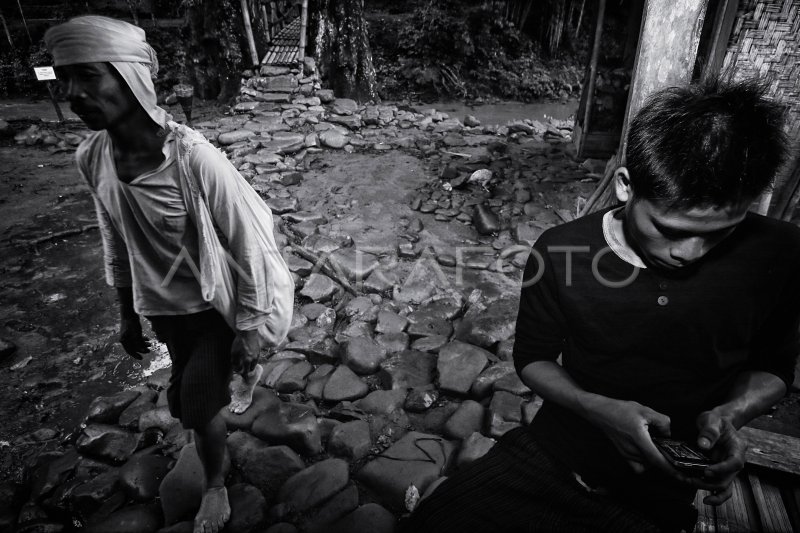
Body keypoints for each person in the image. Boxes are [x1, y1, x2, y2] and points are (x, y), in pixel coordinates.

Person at [402, 78, 799, 532]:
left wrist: (730, 415)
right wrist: (594, 407)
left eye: (719, 232)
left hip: (665, 483)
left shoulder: (781, 254)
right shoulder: (562, 251)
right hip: (553, 453)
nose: (689, 253)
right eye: (669, 229)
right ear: (626, 185)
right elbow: (533, 358)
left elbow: (775, 368)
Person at [45, 16, 294, 533]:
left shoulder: (196, 161)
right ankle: (241, 373)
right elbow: (115, 240)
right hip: (162, 309)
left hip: (212, 307)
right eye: (64, 78)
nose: (73, 94)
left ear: (131, 76)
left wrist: (249, 327)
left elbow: (249, 246)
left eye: (88, 76)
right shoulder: (91, 156)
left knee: (193, 404)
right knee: (197, 386)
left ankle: (214, 485)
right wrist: (127, 315)